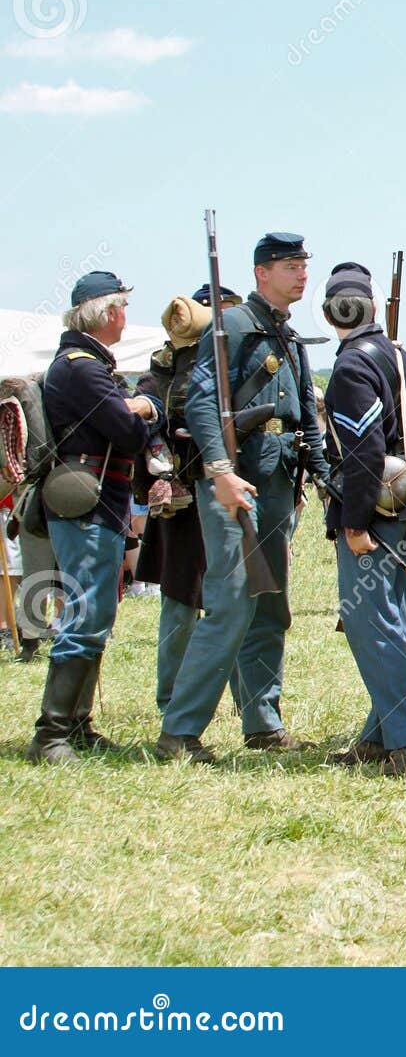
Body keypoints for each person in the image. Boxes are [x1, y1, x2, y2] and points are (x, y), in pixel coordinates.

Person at [157, 232, 331, 762]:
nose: (302, 274)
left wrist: (325, 479)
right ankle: (180, 732)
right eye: (290, 265)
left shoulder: (288, 335)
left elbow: (306, 419)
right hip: (235, 484)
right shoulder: (230, 327)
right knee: (231, 604)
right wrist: (219, 472)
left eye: (303, 265)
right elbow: (201, 405)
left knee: (271, 607)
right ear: (262, 273)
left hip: (277, 482)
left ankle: (262, 722)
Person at [28, 271, 160, 763]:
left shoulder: (87, 365)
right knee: (85, 614)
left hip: (99, 499)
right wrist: (145, 408)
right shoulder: (82, 369)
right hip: (88, 502)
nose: (126, 316)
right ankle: (51, 734)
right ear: (107, 312)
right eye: (122, 307)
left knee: (96, 613)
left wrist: (138, 408)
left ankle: (77, 725)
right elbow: (129, 433)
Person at [320, 262, 406, 775]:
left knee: (375, 627)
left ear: (331, 314)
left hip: (375, 513)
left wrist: (354, 521)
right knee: (390, 621)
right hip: (405, 502)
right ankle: (378, 735)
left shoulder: (351, 366)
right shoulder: (400, 357)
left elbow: (364, 450)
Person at [136, 285, 241, 713]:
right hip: (183, 499)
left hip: (231, 494)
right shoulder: (168, 369)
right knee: (181, 600)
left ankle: (247, 701)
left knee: (240, 597)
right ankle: (173, 698)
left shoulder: (236, 364)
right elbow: (152, 414)